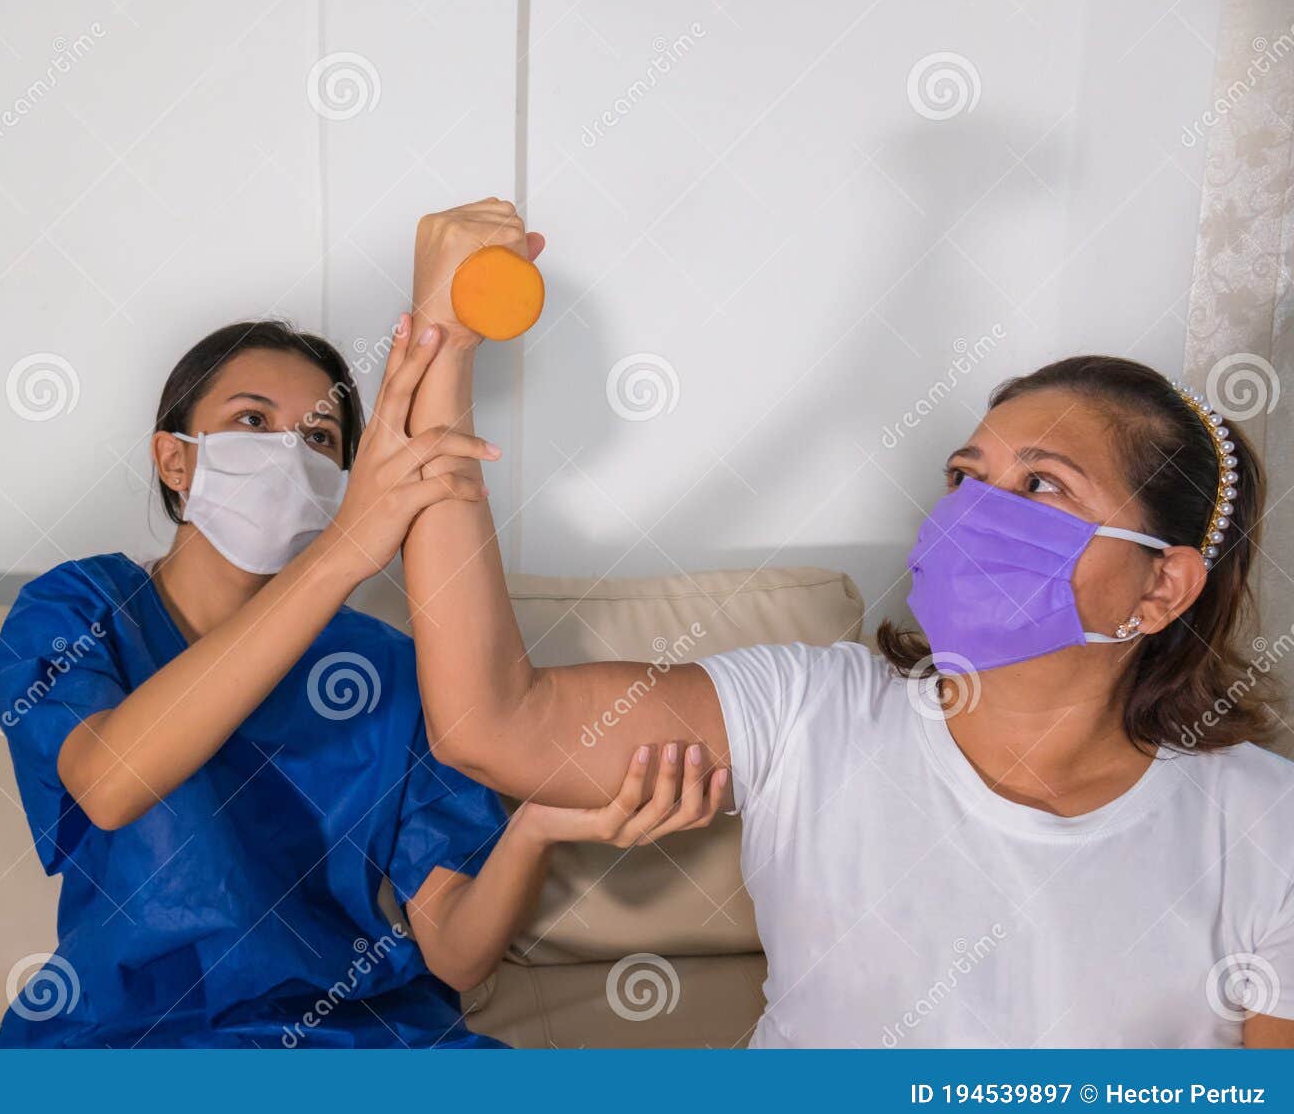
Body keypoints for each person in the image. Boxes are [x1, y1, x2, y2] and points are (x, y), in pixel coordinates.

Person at [398, 198, 1294, 1048]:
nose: (974, 513)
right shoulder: (813, 709)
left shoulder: (1264, 824)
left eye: (1041, 485)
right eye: (965, 475)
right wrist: (444, 348)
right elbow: (494, 722)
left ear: (1163, 585)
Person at [0, 317, 723, 1048]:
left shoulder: (387, 669)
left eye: (318, 438)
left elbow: (456, 952)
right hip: (136, 1040)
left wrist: (537, 826)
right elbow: (110, 782)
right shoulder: (79, 610)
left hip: (355, 1039)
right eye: (253, 419)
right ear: (175, 460)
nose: (287, 453)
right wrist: (340, 555)